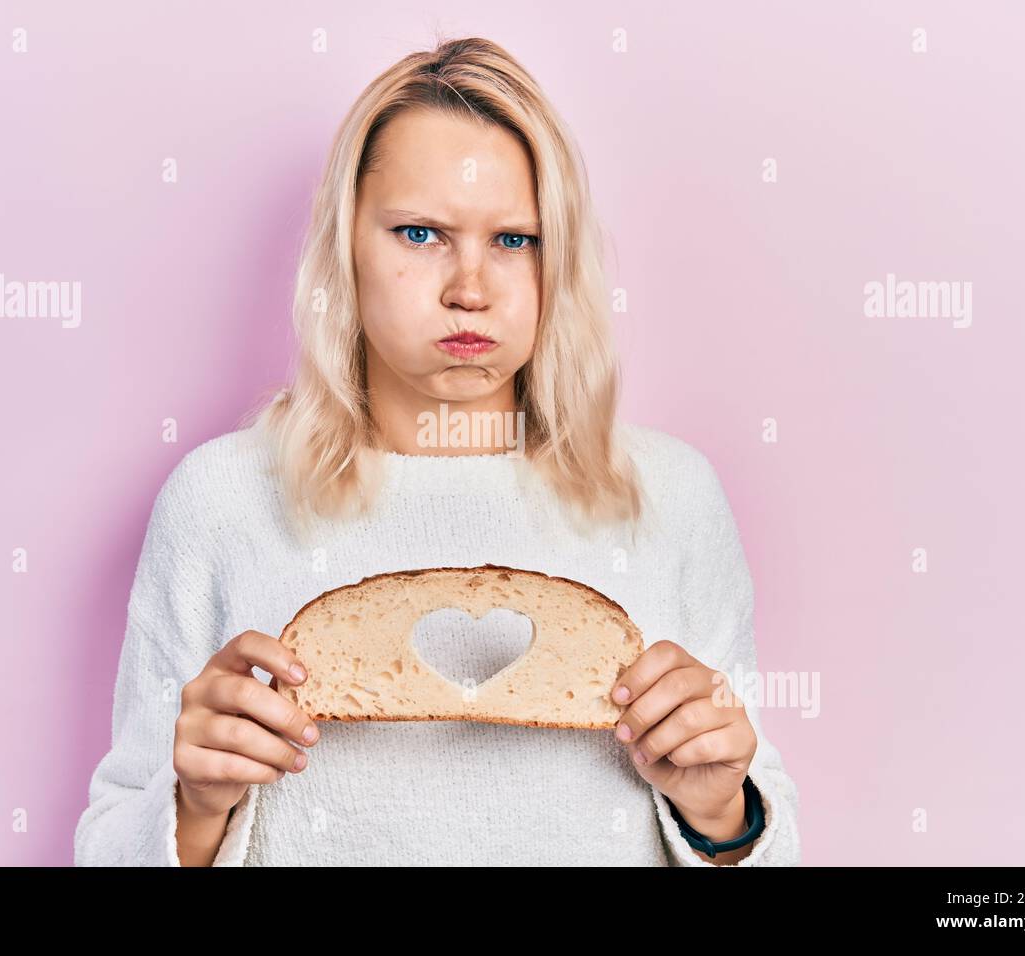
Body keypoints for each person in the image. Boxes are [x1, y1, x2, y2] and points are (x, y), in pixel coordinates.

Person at [74, 35, 800, 867]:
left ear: (558, 260)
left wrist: (720, 810)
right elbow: (109, 846)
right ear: (345, 249)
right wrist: (195, 806)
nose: (470, 287)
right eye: (420, 234)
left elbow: (769, 843)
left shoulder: (670, 497)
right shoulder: (223, 500)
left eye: (515, 240)